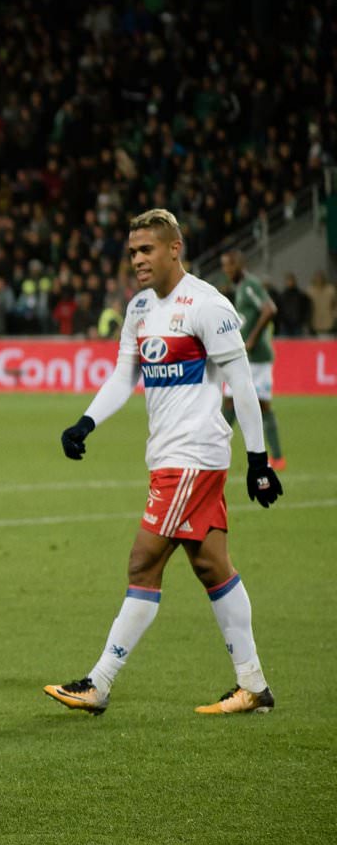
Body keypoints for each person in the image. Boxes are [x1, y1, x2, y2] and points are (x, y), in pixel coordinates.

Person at [47, 209, 283, 717]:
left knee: (143, 562)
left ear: (174, 247)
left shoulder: (207, 305)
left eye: (147, 250)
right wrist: (85, 422)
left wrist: (258, 460)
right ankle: (253, 686)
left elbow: (242, 385)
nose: (137, 260)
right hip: (169, 457)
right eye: (132, 252)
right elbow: (121, 377)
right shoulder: (138, 310)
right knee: (211, 565)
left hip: (192, 457)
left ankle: (99, 683)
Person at [220, 252, 285, 470]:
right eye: (224, 266)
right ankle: (215, 447)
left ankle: (277, 457)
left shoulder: (249, 285)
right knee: (231, 401)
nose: (227, 270)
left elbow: (270, 309)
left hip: (256, 358)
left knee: (260, 405)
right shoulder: (240, 288)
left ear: (239, 264)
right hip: (248, 358)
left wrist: (251, 340)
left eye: (230, 265)